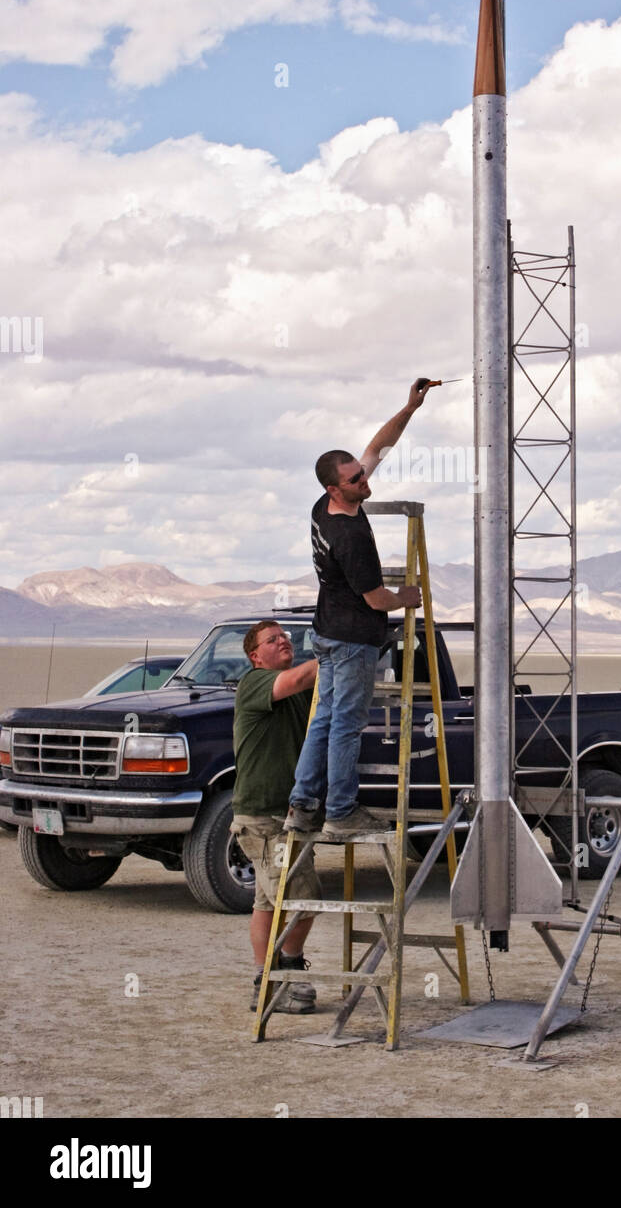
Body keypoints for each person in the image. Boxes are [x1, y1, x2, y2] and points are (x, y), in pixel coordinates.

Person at [288, 380, 431, 841]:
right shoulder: (348, 538)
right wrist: (406, 598)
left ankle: (303, 804)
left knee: (324, 719)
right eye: (356, 480)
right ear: (336, 488)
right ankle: (341, 811)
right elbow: (376, 599)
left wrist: (410, 407)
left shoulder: (326, 504)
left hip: (328, 632)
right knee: (346, 725)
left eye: (361, 474)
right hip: (351, 639)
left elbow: (378, 446)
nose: (365, 480)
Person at [231, 619, 321, 1014]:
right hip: (266, 817)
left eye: (285, 636)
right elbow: (300, 680)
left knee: (267, 901)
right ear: (255, 655)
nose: (284, 641)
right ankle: (285, 970)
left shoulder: (296, 690)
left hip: (280, 815)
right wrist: (337, 652)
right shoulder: (255, 683)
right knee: (302, 897)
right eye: (274, 639)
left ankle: (263, 981)